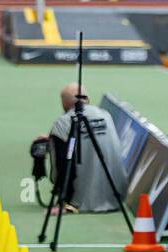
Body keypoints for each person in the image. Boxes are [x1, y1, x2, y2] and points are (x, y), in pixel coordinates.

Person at [48, 83, 123, 212]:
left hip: (81, 202)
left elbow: (63, 166)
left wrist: (63, 200)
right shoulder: (106, 115)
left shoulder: (62, 123)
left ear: (63, 103)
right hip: (116, 198)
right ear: (87, 99)